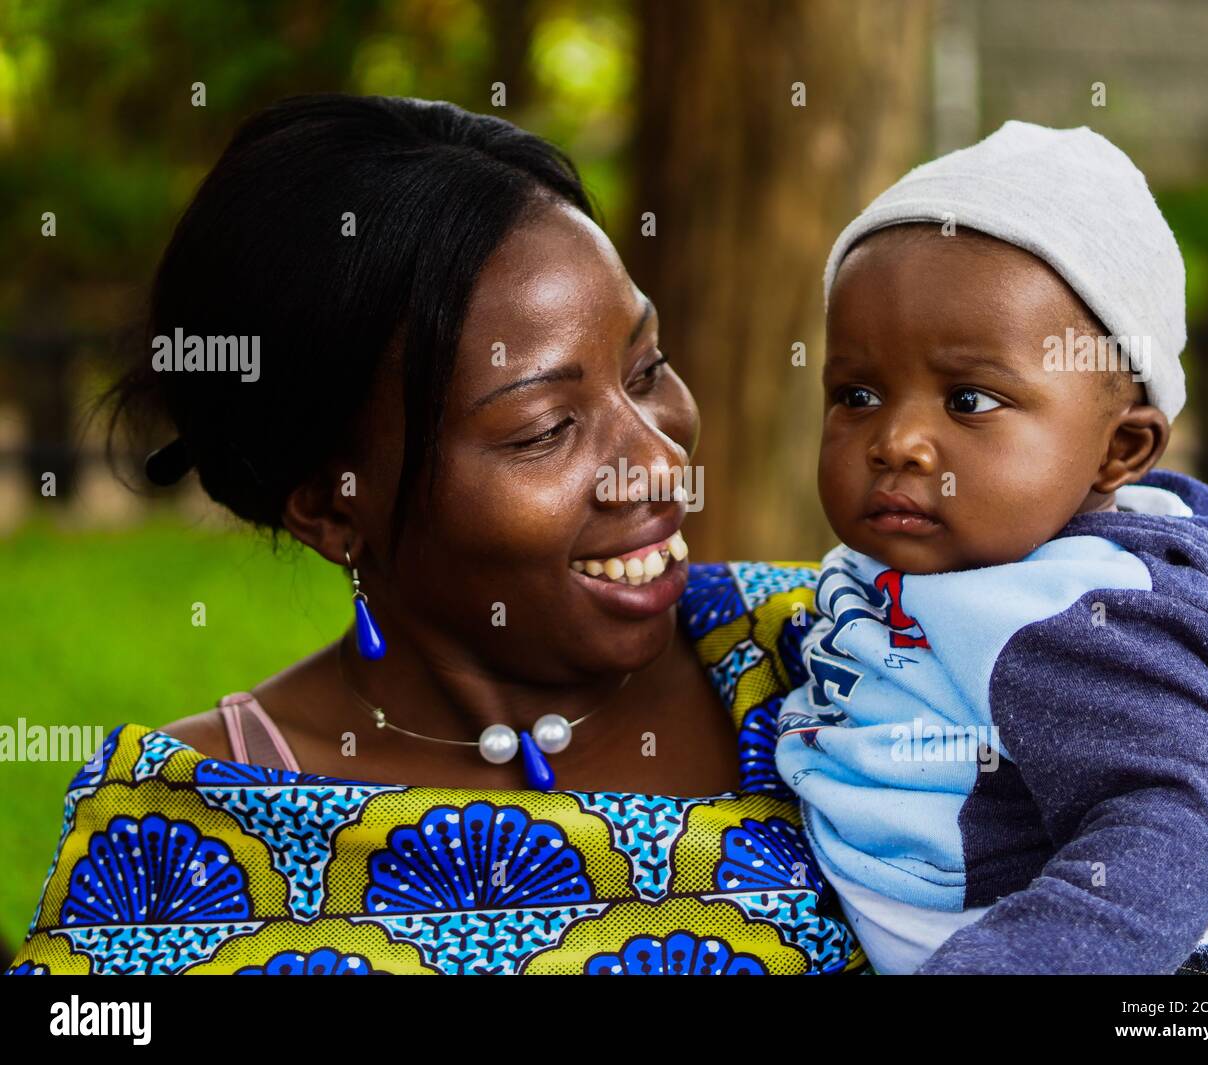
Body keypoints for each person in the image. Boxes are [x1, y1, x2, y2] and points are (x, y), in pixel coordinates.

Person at [6, 94, 863, 976]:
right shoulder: (174, 844)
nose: (657, 460)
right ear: (333, 506)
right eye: (543, 429)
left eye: (646, 369)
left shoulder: (838, 658)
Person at [775, 121, 1208, 975]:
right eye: (858, 392)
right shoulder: (929, 563)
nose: (897, 440)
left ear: (1119, 451)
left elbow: (1173, 814)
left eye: (972, 399)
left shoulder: (1076, 617)